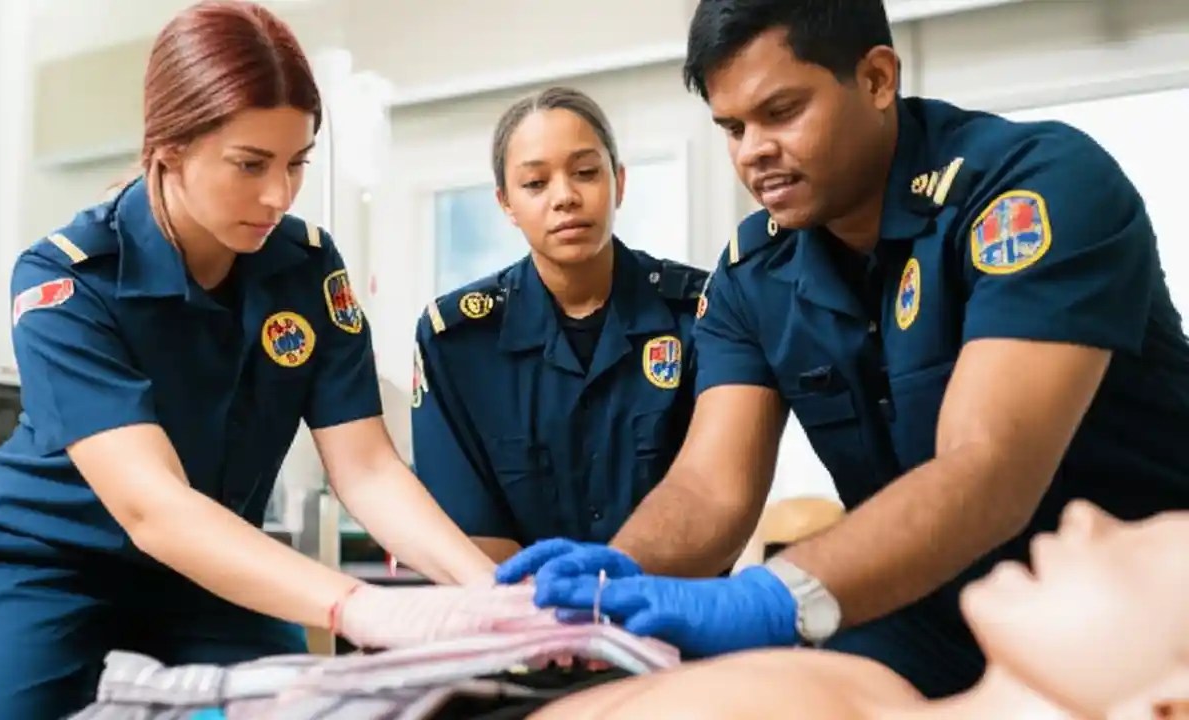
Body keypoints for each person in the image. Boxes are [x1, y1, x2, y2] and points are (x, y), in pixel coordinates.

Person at [498, 0, 1189, 698]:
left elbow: (986, 465)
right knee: (719, 698)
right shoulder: (752, 275)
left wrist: (773, 596)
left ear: (877, 78)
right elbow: (709, 488)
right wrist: (615, 572)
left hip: (1129, 605)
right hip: (925, 604)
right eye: (732, 128)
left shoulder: (1034, 187)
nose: (752, 150)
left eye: (781, 112)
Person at [0, 3, 543, 718]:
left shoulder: (306, 268)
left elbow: (367, 470)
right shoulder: (69, 279)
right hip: (50, 569)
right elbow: (153, 507)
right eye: (250, 165)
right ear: (169, 148)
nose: (278, 195)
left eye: (296, 163)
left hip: (214, 578)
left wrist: (490, 593)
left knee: (311, 708)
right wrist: (359, 606)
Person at [530, 501, 1189, 720]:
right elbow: (710, 484)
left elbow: (991, 455)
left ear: (1169, 707)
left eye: (1142, 549)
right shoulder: (864, 683)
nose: (1085, 515)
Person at [412, 86, 708, 563]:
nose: (565, 197)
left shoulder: (699, 316)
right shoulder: (457, 341)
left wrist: (614, 595)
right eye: (535, 183)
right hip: (517, 604)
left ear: (619, 182)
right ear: (505, 203)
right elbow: (466, 529)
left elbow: (714, 496)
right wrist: (545, 604)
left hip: (672, 600)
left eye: (586, 173)